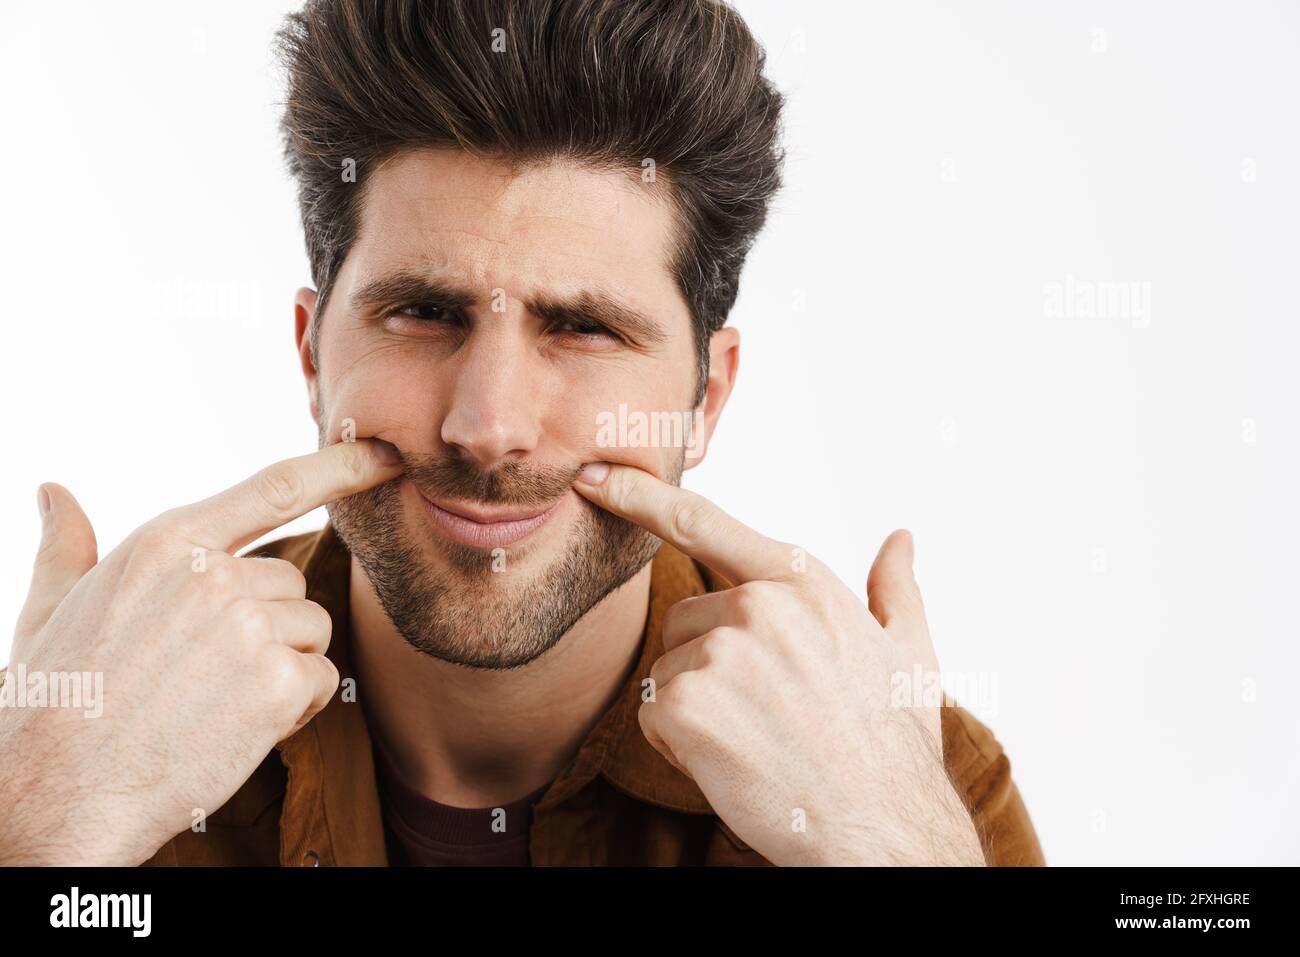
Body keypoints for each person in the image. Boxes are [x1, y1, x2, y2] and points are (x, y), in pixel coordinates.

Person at [0, 0, 1044, 866]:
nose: (488, 424)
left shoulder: (900, 777)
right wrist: (43, 823)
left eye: (584, 327)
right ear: (313, 354)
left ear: (706, 397)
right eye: (422, 313)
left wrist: (888, 842)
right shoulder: (79, 741)